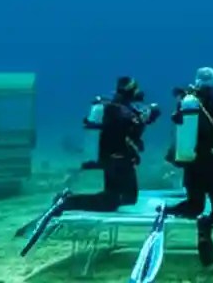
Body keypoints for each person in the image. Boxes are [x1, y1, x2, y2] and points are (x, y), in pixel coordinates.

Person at [165, 67, 213, 267]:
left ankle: (167, 210)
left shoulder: (187, 101)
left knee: (194, 205)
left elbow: (177, 121)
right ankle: (205, 227)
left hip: (192, 162)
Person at [63, 76, 161, 213]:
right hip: (116, 160)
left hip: (117, 159)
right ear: (130, 91)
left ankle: (70, 201)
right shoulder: (116, 108)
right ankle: (69, 201)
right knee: (114, 200)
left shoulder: (118, 107)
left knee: (125, 198)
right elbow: (132, 124)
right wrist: (147, 114)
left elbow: (131, 129)